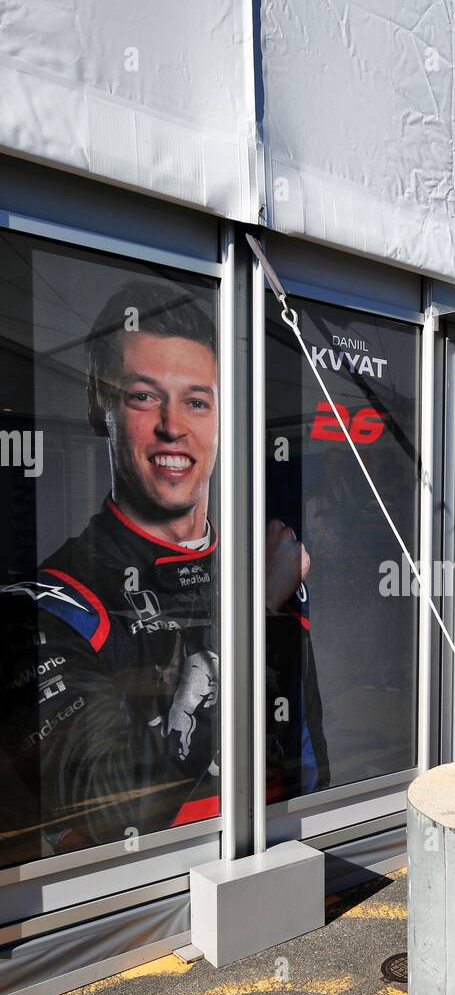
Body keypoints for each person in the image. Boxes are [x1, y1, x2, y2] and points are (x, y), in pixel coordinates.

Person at [0, 278, 327, 860]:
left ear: (223, 419)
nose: (173, 426)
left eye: (197, 401)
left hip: (282, 862)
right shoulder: (45, 601)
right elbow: (107, 808)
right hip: (150, 900)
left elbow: (305, 749)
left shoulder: (263, 566)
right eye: (144, 396)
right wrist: (254, 613)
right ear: (100, 407)